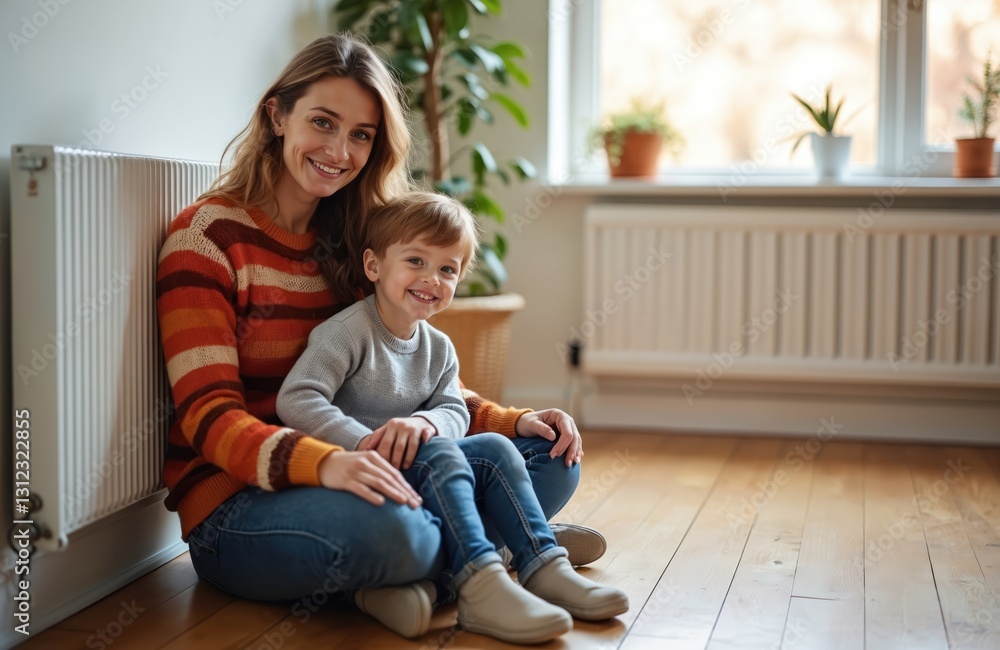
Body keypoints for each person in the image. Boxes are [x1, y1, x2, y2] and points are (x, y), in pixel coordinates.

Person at [155, 32, 606, 641]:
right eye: (323, 122)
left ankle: (475, 555)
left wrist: (513, 421)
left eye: (362, 134)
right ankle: (505, 548)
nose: (340, 150)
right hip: (241, 504)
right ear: (277, 114)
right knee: (398, 530)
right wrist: (330, 464)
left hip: (369, 466)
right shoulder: (206, 241)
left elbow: (411, 384)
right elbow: (208, 418)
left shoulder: (353, 241)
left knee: (549, 462)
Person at [275, 192, 628, 643]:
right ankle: (500, 554)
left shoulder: (439, 347)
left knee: (534, 454)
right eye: (416, 261)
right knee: (457, 454)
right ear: (374, 266)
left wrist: (427, 425)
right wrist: (365, 444)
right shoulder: (346, 333)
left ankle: (539, 562)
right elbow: (297, 399)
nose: (432, 279)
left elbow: (453, 409)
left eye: (447, 269)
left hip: (429, 475)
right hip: (367, 483)